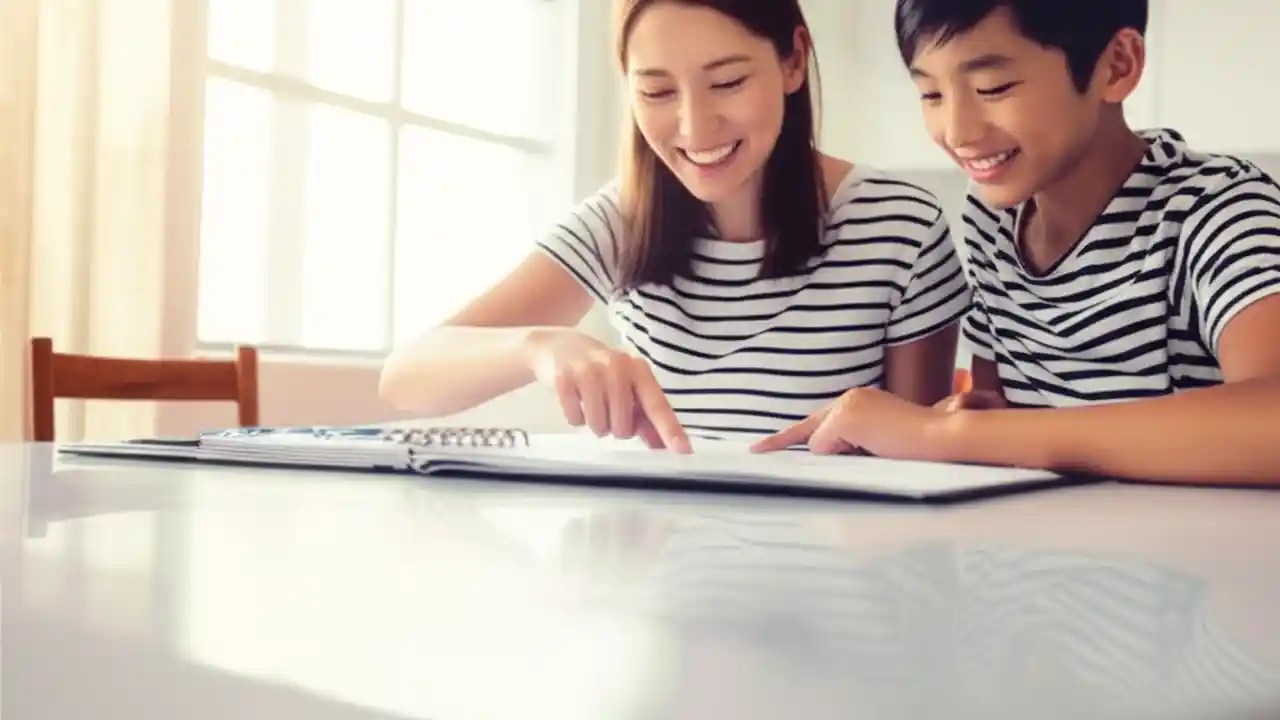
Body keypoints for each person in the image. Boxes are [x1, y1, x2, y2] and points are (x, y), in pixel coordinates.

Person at [380, 0, 971, 450]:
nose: (694, 127)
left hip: (838, 579)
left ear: (793, 60)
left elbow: (917, 459)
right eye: (657, 90)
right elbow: (406, 379)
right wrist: (540, 347)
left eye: (728, 83)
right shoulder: (621, 222)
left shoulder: (899, 224)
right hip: (662, 576)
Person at [754, 0, 1280, 485]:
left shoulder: (1214, 208)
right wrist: (978, 420)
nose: (957, 130)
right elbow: (1005, 419)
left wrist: (946, 436)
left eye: (993, 88)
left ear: (1116, 65)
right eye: (931, 94)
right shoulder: (992, 219)